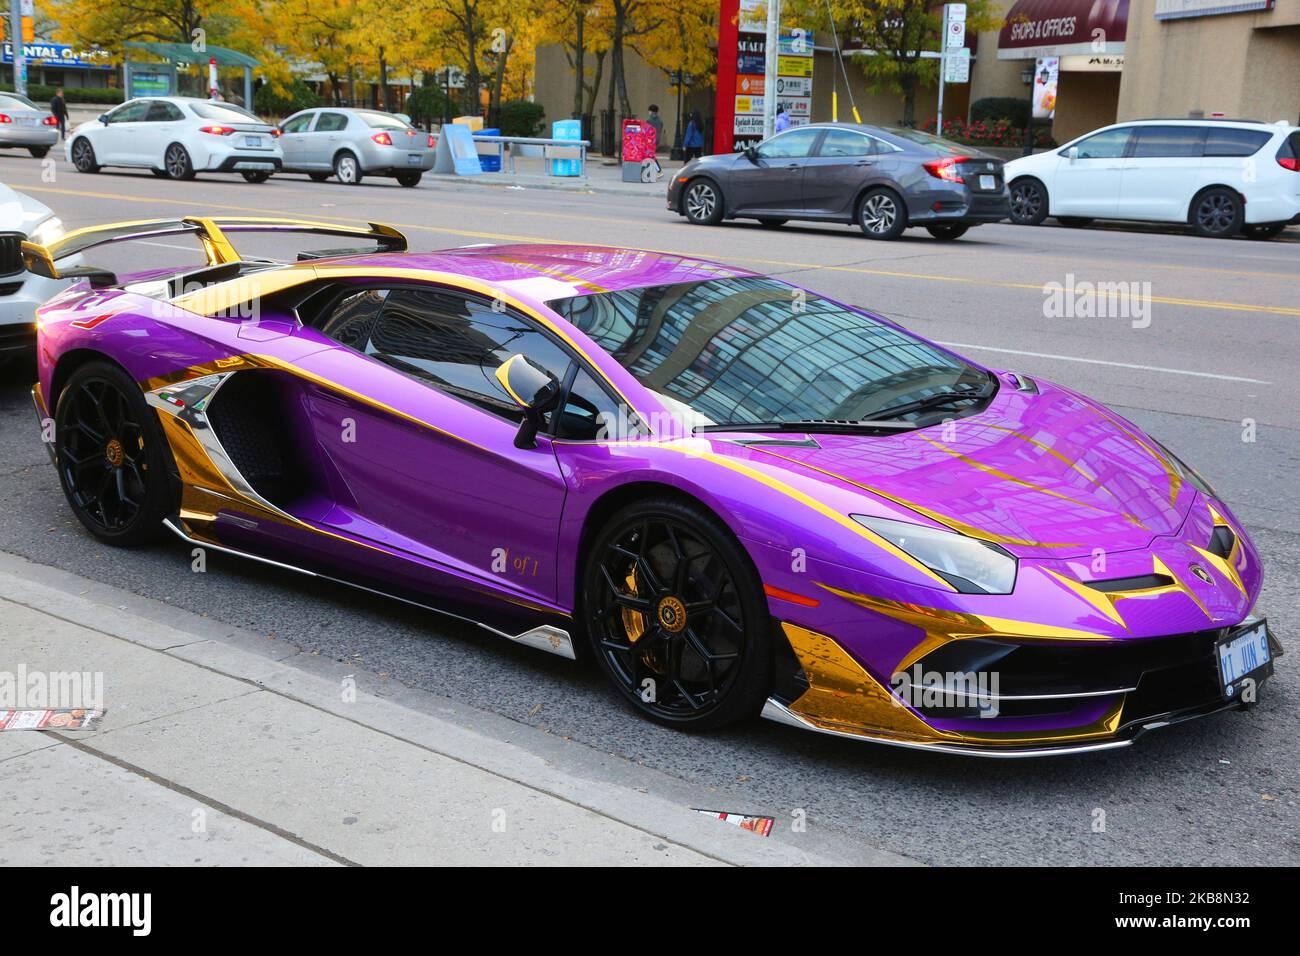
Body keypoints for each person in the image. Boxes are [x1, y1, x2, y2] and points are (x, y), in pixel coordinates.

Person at [644, 104, 664, 179]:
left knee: (650, 156)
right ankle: (650, 171)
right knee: (650, 155)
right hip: (656, 140)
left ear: (651, 111)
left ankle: (658, 171)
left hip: (649, 140)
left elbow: (645, 131)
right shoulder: (660, 121)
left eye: (649, 111)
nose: (648, 112)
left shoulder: (648, 121)